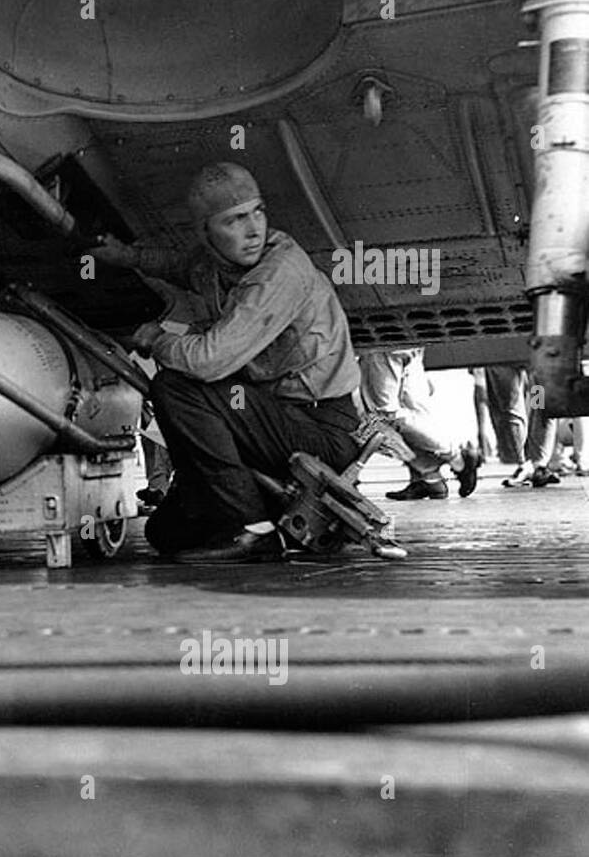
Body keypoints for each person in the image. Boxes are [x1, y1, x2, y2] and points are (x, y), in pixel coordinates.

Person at [95, 162, 363, 563]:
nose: (254, 229)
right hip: (274, 420)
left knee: (176, 387)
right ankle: (244, 509)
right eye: (236, 220)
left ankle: (251, 527)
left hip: (320, 429)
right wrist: (126, 256)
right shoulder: (217, 263)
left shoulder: (280, 272)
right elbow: (180, 266)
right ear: (206, 233)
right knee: (166, 533)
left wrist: (157, 339)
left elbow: (208, 361)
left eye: (258, 212)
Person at [359, 348, 480, 500]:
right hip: (410, 341)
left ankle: (454, 456)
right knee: (413, 409)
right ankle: (429, 478)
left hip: (382, 342)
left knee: (384, 416)